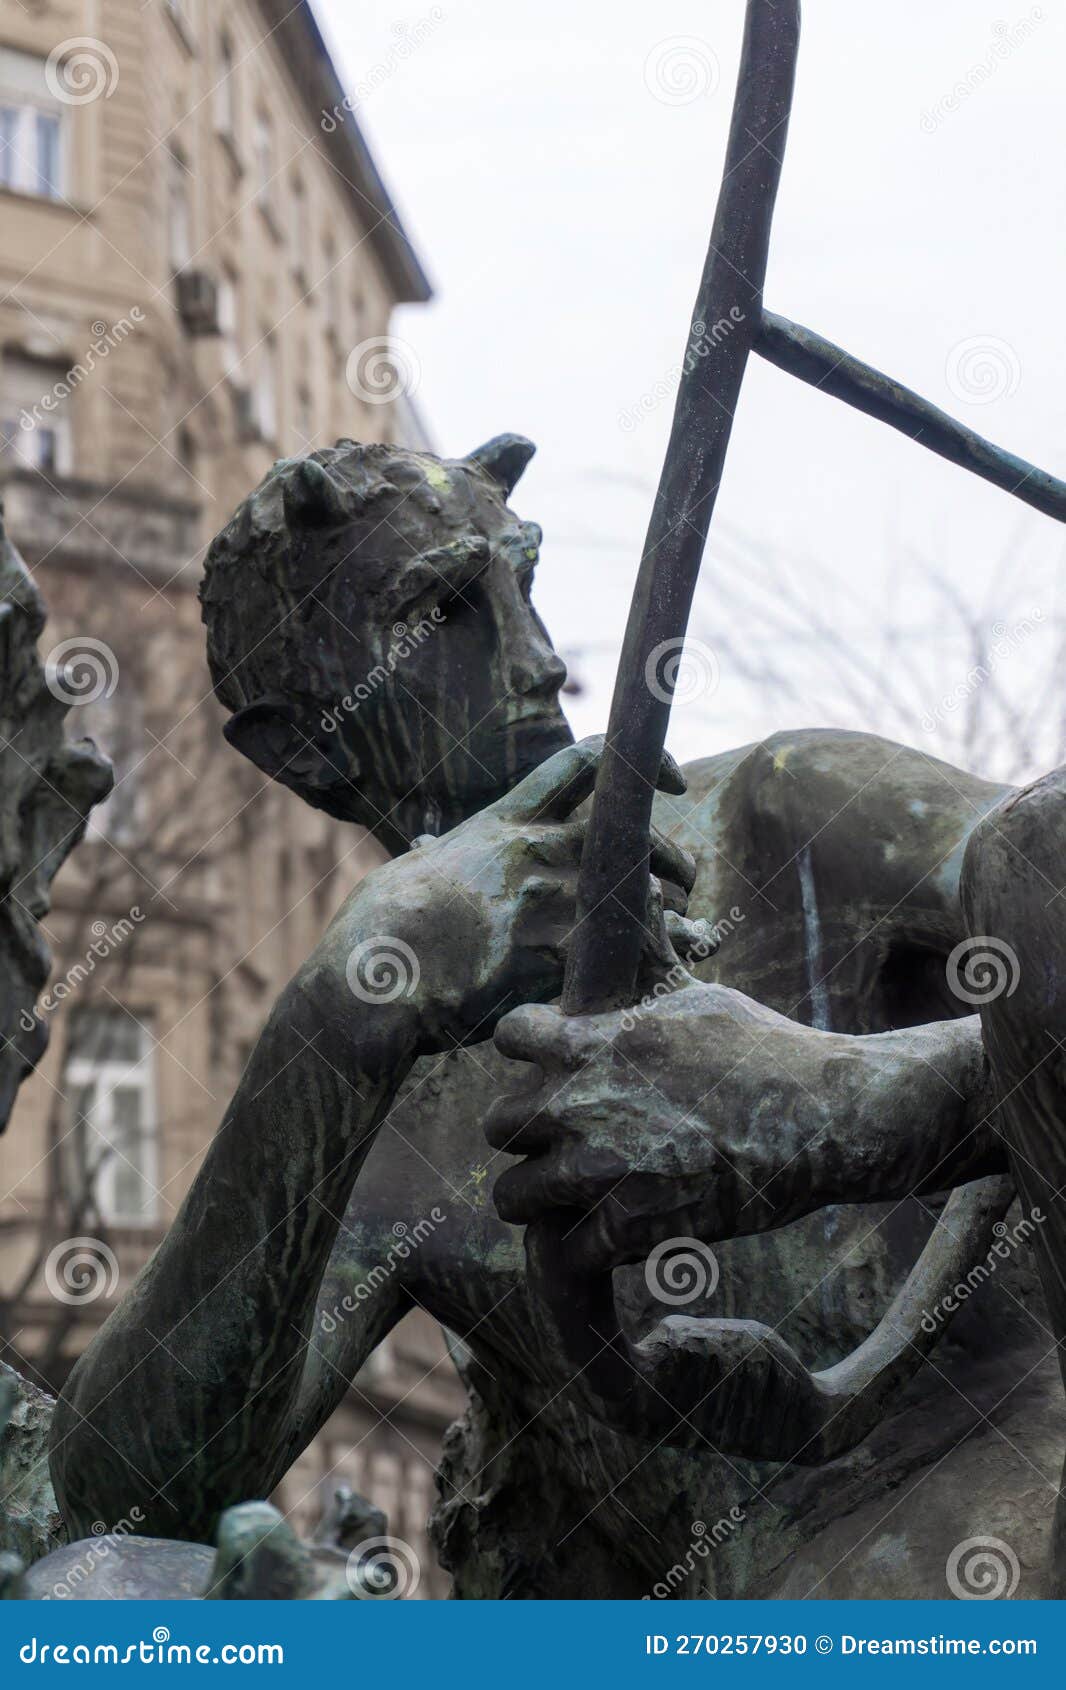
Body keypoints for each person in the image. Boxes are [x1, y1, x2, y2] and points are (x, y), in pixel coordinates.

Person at [52, 439, 1057, 1597]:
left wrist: (856, 1101)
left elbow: (1054, 874)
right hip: (741, 1626)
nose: (537, 658)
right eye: (439, 613)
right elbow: (126, 1499)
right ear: (302, 751)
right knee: (95, 1597)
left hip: (1017, 1510)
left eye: (517, 588)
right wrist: (330, 1023)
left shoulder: (784, 807)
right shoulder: (375, 1107)